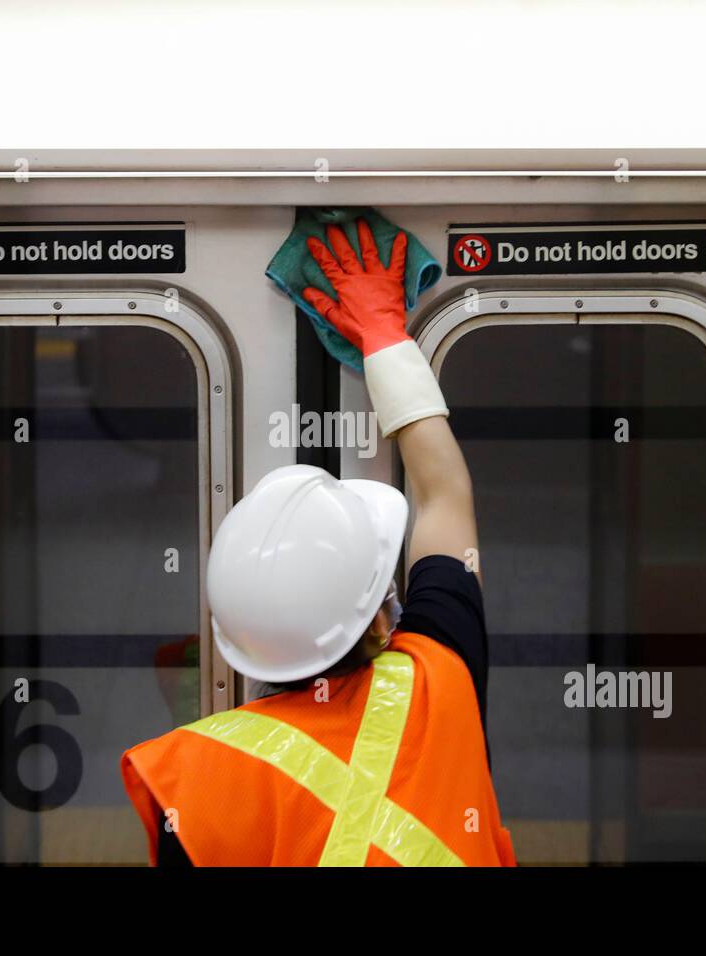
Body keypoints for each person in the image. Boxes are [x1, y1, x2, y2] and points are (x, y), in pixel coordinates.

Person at [120, 220, 516, 867]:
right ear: (383, 614)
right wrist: (385, 336)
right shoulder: (437, 684)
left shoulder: (192, 779)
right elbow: (445, 495)